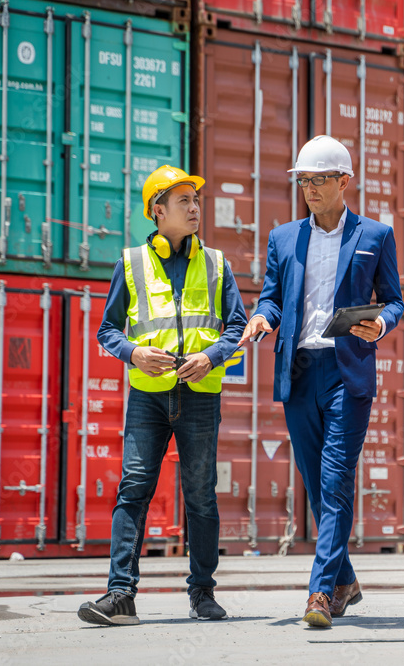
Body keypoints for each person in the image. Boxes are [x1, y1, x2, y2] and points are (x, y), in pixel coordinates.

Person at [239, 135, 404, 628]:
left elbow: (394, 300)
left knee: (334, 482)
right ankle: (347, 580)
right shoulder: (283, 238)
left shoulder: (375, 235)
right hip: (299, 370)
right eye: (303, 180)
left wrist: (382, 323)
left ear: (344, 181)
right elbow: (270, 296)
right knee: (316, 485)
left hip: (346, 371)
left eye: (317, 179)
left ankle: (319, 593)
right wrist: (262, 318)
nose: (308, 188)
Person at [79, 165, 248, 626]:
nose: (195, 209)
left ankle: (203, 594)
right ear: (158, 211)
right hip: (148, 398)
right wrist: (134, 354)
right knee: (133, 489)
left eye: (196, 201)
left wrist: (211, 358)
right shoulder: (130, 263)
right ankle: (120, 596)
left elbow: (236, 326)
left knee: (200, 496)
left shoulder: (217, 263)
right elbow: (107, 330)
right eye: (184, 202)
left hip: (199, 396)